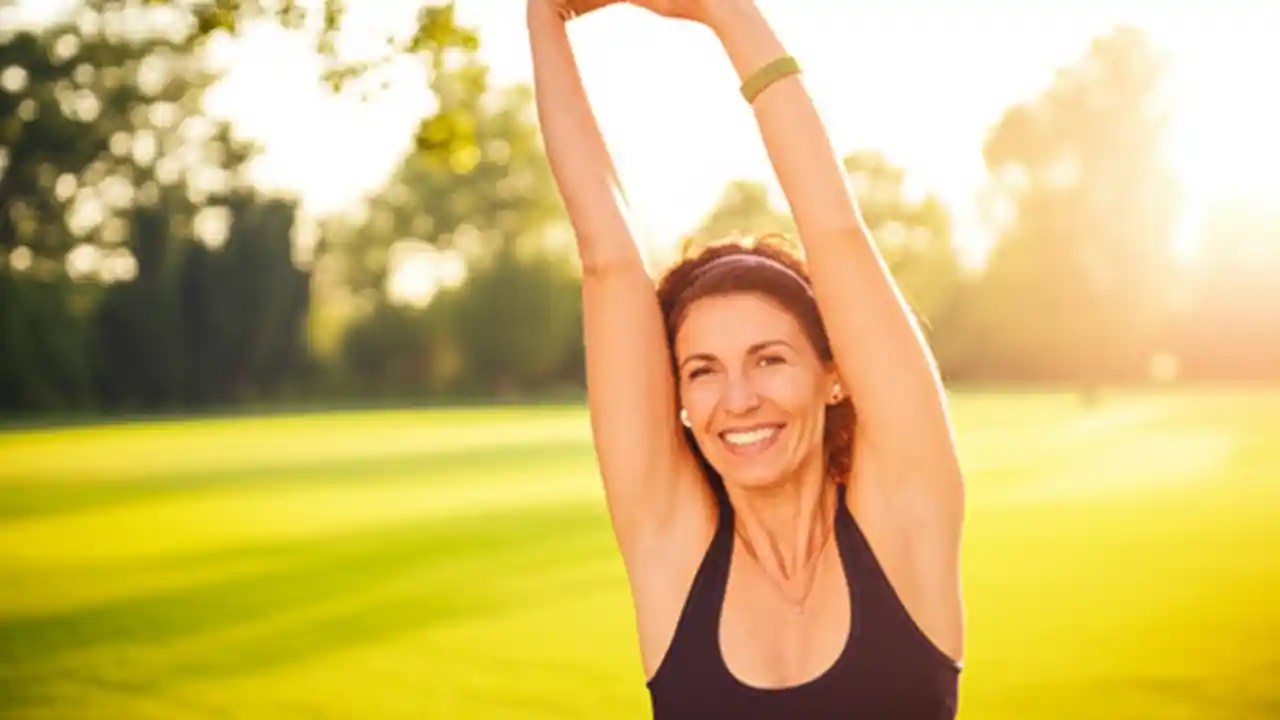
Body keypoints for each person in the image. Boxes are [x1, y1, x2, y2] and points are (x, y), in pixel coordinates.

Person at [527, 1, 965, 716]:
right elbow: (607, 258)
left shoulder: (906, 517)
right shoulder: (673, 546)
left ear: (835, 374)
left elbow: (836, 230)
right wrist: (545, 13)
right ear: (679, 399)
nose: (737, 400)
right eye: (702, 370)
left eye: (769, 360)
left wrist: (726, 12)